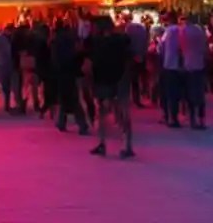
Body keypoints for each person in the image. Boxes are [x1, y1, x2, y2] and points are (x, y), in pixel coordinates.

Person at [87, 16, 135, 159]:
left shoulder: (97, 42)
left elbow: (93, 62)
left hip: (103, 80)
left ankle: (102, 143)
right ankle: (127, 144)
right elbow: (129, 57)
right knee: (122, 113)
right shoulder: (121, 40)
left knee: (102, 112)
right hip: (120, 78)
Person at [52, 19, 89, 135]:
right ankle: (69, 122)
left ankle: (70, 122)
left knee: (67, 98)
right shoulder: (71, 38)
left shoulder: (56, 41)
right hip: (71, 71)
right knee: (71, 98)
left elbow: (55, 59)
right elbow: (77, 53)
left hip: (62, 72)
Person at [180, 15, 208, 129]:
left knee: (190, 93)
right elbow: (204, 47)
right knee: (200, 93)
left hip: (188, 65)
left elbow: (181, 47)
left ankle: (192, 119)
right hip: (199, 64)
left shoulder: (183, 31)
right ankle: (201, 119)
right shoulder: (199, 31)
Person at [158, 14, 183, 127]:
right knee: (176, 93)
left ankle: (169, 117)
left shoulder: (168, 31)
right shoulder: (181, 31)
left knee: (168, 93)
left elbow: (161, 48)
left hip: (168, 65)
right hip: (179, 66)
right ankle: (175, 116)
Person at [123, 14, 148, 108]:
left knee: (128, 80)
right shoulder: (141, 27)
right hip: (140, 56)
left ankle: (127, 100)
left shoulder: (127, 28)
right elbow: (145, 42)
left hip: (131, 57)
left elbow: (126, 43)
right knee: (136, 80)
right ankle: (137, 100)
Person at [0, 24, 15, 112]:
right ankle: (8, 104)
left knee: (5, 85)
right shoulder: (11, 39)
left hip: (0, 64)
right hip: (8, 64)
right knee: (8, 85)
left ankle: (7, 104)